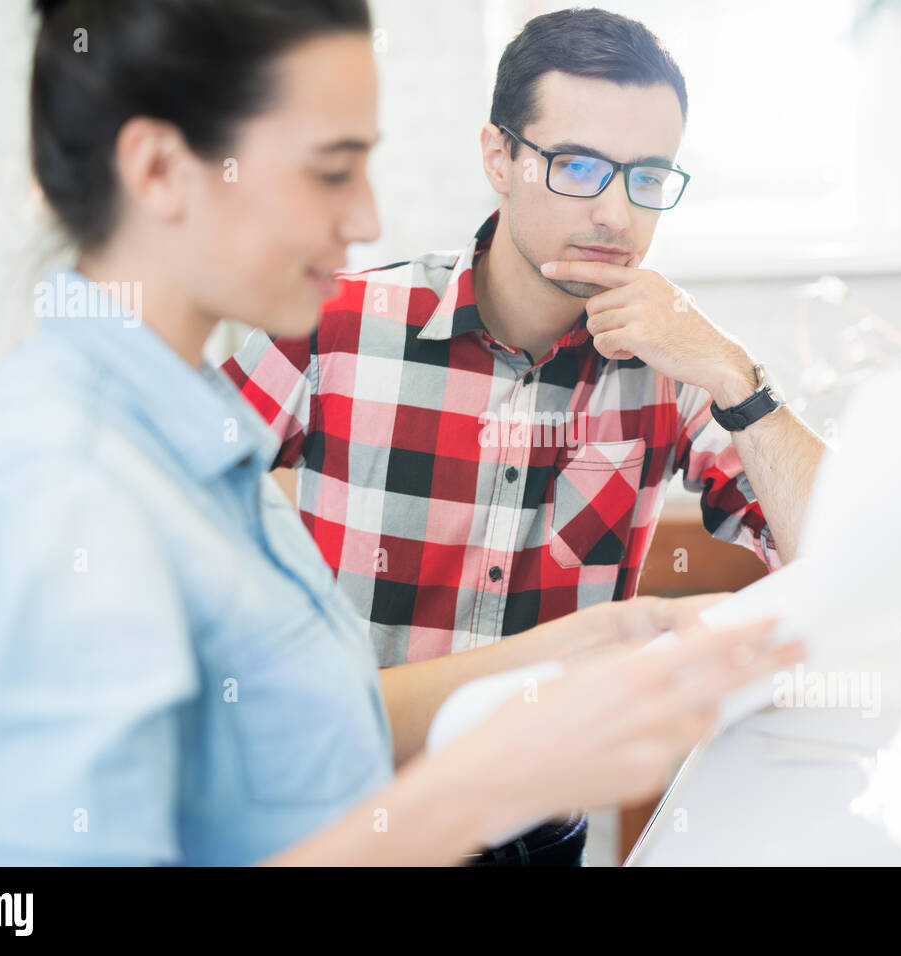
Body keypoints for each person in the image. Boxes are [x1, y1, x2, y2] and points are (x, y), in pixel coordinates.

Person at [0, 0, 805, 866]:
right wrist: (488, 783)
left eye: (644, 178)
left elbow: (308, 726)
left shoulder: (196, 442)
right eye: (331, 169)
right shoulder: (46, 484)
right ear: (160, 172)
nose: (366, 219)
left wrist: (605, 640)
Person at [222, 7, 827, 864]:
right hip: (348, 819)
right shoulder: (335, 326)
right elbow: (151, 527)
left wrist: (733, 374)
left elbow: (837, 561)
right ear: (498, 157)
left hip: (535, 842)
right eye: (579, 166)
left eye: (648, 177)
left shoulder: (671, 365)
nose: (617, 214)